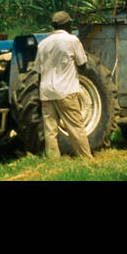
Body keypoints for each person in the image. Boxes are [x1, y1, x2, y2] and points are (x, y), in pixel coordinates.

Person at [33, 10, 92, 160]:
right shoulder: (72, 40)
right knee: (75, 126)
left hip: (46, 92)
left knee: (50, 130)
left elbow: (38, 71)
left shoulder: (43, 44)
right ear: (67, 25)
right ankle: (86, 158)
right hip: (66, 91)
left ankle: (53, 160)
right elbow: (83, 64)